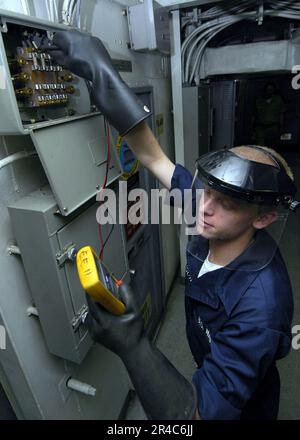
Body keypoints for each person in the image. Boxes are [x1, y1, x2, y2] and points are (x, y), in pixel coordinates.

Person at [47, 30, 299, 420]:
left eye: (226, 203)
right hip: (207, 362)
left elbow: (195, 416)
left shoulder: (261, 308)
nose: (203, 207)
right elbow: (154, 158)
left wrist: (133, 343)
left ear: (263, 218)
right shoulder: (209, 206)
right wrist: (103, 73)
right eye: (207, 191)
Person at [253, 82, 285, 147]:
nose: (269, 91)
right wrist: (253, 128)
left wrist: (281, 127)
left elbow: (281, 113)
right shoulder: (259, 100)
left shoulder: (278, 100)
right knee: (260, 147)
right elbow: (254, 114)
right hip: (260, 127)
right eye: (267, 90)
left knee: (272, 146)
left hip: (273, 126)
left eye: (271, 90)